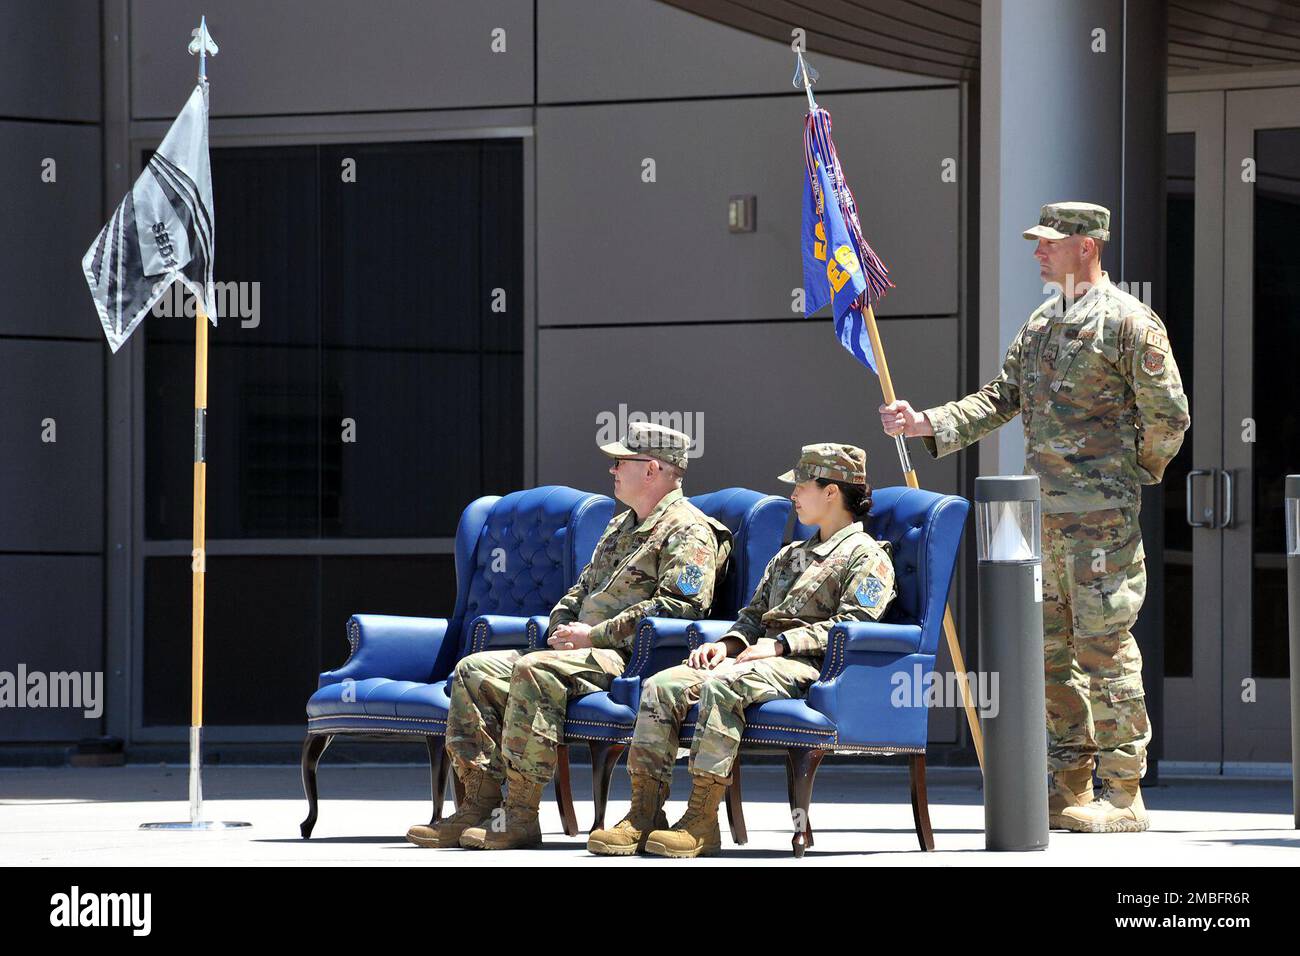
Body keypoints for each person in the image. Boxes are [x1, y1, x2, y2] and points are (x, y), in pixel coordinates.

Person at [879, 201, 1190, 833]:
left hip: (1099, 520)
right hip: (1041, 516)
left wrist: (1128, 478)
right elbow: (1003, 397)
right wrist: (927, 424)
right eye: (1038, 241)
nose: (1037, 251)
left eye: (1050, 241)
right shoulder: (1044, 322)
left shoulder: (1130, 323)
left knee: (1104, 646)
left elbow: (1169, 417)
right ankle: (1068, 783)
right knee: (1049, 654)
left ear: (1088, 245)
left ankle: (1124, 792)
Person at [405, 421, 732, 850]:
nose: (612, 470)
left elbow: (678, 608)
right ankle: (481, 805)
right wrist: (561, 629)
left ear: (652, 469)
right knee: (473, 669)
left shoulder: (689, 530)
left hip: (633, 658)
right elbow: (582, 588)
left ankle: (521, 814)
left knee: (535, 670)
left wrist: (593, 635)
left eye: (620, 462)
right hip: (580, 650)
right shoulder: (621, 527)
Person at [587, 443, 895, 858]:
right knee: (663, 685)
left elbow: (854, 625)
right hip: (759, 658)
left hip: (812, 667)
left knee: (725, 685)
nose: (793, 495)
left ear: (831, 492)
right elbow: (752, 616)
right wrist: (727, 645)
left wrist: (780, 644)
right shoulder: (789, 556)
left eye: (801, 485)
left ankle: (701, 819)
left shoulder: (867, 556)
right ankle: (644, 814)